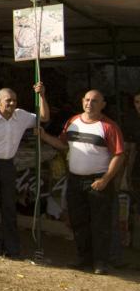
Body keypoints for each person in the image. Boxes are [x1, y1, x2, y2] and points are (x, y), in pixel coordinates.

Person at [39, 90, 125, 274]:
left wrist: (105, 179)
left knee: (100, 224)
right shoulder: (73, 122)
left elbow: (119, 155)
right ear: (82, 101)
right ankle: (84, 259)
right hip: (75, 180)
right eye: (87, 100)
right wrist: (44, 136)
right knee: (79, 222)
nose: (90, 104)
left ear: (103, 104)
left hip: (97, 181)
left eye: (95, 101)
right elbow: (63, 144)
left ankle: (100, 262)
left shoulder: (108, 126)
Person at [0, 84, 50, 258]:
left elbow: (44, 117)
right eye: (8, 100)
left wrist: (41, 95)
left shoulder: (22, 116)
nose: (12, 104)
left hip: (8, 164)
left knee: (9, 205)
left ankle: (12, 247)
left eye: (14, 100)